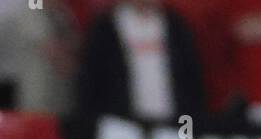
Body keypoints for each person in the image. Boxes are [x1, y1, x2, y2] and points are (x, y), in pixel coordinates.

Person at [75, 0, 206, 120]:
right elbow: (90, 85)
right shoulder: (105, 28)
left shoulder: (176, 25)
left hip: (173, 125)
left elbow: (192, 82)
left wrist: (190, 128)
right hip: (124, 127)